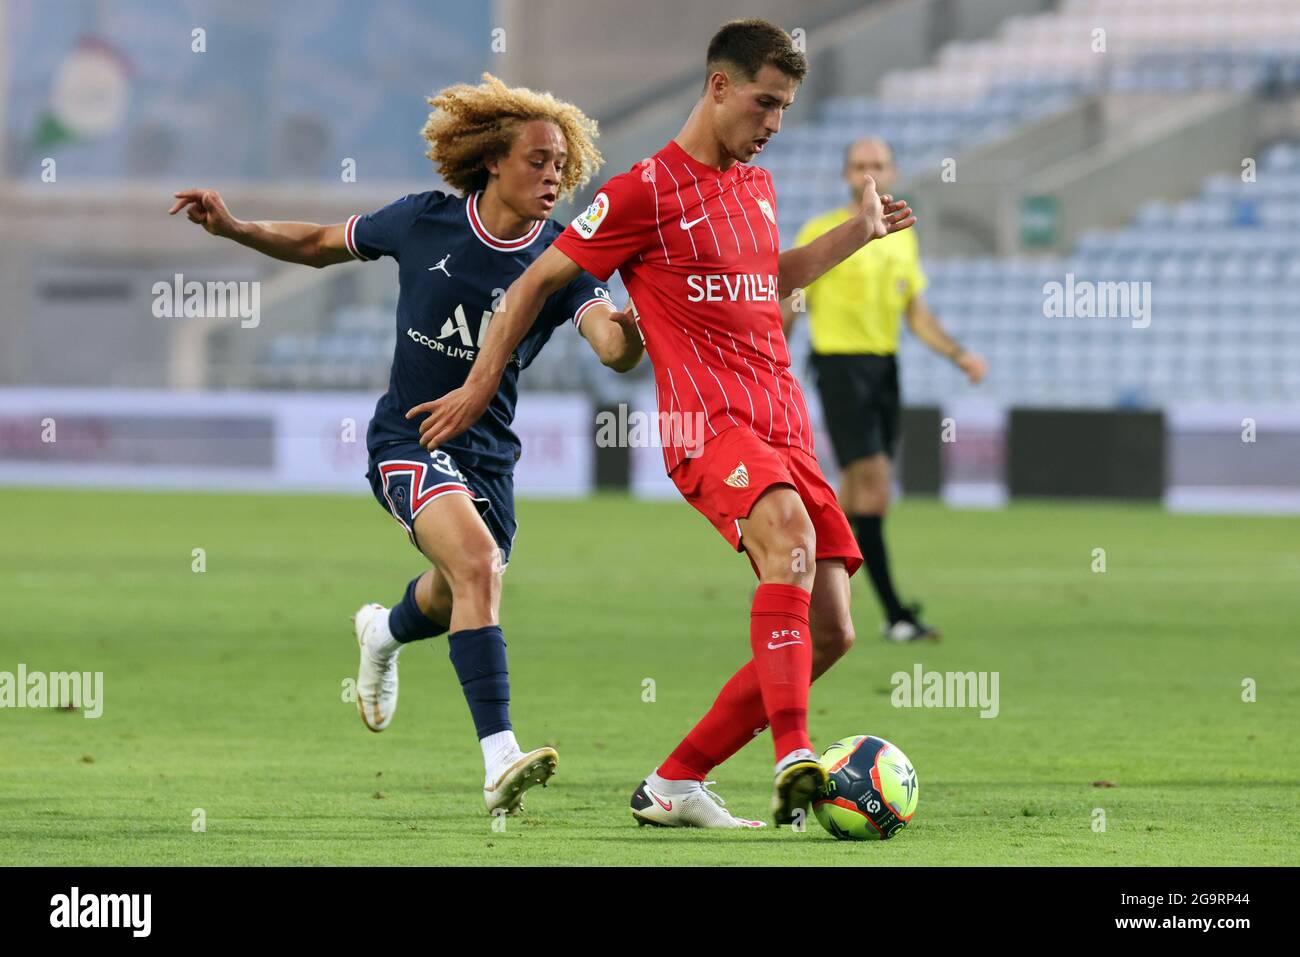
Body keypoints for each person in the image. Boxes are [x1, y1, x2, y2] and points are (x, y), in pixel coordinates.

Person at [407, 22, 917, 829]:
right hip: (707, 422)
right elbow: (537, 279)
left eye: (785, 107)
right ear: (719, 87)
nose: (775, 123)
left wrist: (857, 233)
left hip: (783, 418)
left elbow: (763, 280)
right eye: (765, 103)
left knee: (833, 628)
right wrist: (479, 382)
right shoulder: (644, 190)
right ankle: (795, 756)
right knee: (786, 534)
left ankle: (675, 783)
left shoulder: (756, 186)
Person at [168, 73, 643, 815]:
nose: (553, 176)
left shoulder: (561, 259)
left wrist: (634, 331)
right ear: (492, 160)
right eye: (537, 159)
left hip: (488, 454)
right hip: (409, 438)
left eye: (561, 165)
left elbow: (609, 343)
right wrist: (237, 228)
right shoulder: (424, 222)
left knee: (459, 588)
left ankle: (381, 632)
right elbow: (323, 242)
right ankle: (498, 759)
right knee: (481, 564)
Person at [786, 137, 987, 641]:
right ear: (845, 175)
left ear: (892, 173)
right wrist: (769, 362)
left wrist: (958, 353)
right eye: (859, 166)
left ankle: (793, 577)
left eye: (877, 165)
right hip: (839, 367)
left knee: (855, 495)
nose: (868, 173)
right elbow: (791, 301)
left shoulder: (901, 235)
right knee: (875, 487)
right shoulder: (821, 231)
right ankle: (896, 615)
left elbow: (916, 314)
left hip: (885, 370)